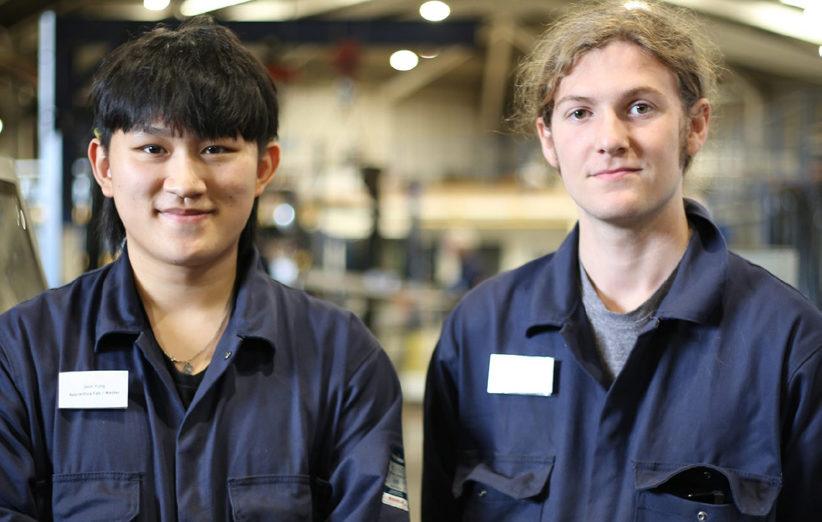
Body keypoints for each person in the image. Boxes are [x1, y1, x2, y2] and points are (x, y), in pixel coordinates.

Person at [422, 1, 822, 520]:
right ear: (549, 140)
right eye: (580, 112)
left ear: (695, 125)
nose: (610, 139)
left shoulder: (788, 345)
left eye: (640, 107)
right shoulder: (478, 332)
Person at [0, 18, 409, 520]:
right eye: (154, 149)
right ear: (104, 166)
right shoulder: (23, 353)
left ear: (264, 167)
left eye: (216, 149)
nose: (185, 181)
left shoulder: (343, 360)